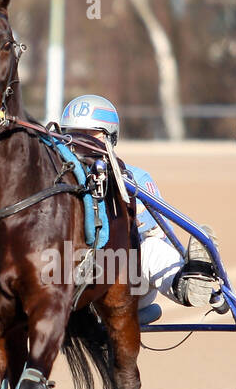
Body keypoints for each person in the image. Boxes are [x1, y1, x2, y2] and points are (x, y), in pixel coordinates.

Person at [58, 93, 226, 313]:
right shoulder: (55, 181)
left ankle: (188, 282)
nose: (82, 144)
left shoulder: (135, 179)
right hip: (64, 279)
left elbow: (160, 235)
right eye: (74, 136)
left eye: (91, 136)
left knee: (150, 247)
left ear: (110, 138)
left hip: (123, 282)